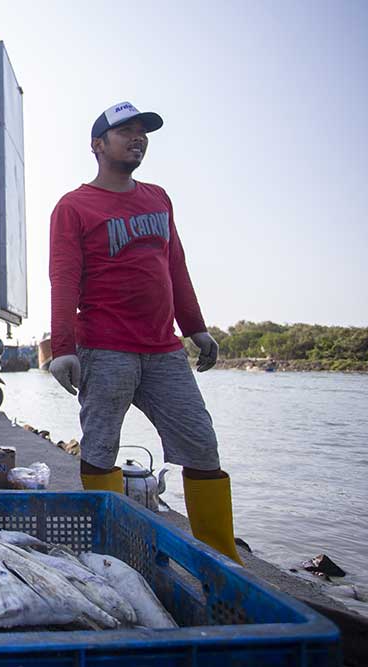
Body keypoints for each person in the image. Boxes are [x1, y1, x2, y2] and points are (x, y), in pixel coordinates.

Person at [48, 102, 242, 564]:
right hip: (104, 346)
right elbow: (64, 276)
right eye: (125, 132)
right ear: (97, 145)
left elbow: (174, 266)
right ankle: (109, 554)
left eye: (143, 132)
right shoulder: (74, 206)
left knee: (201, 445)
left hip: (164, 349)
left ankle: (224, 560)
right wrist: (62, 348)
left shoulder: (158, 197)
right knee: (100, 447)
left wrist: (195, 327)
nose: (138, 139)